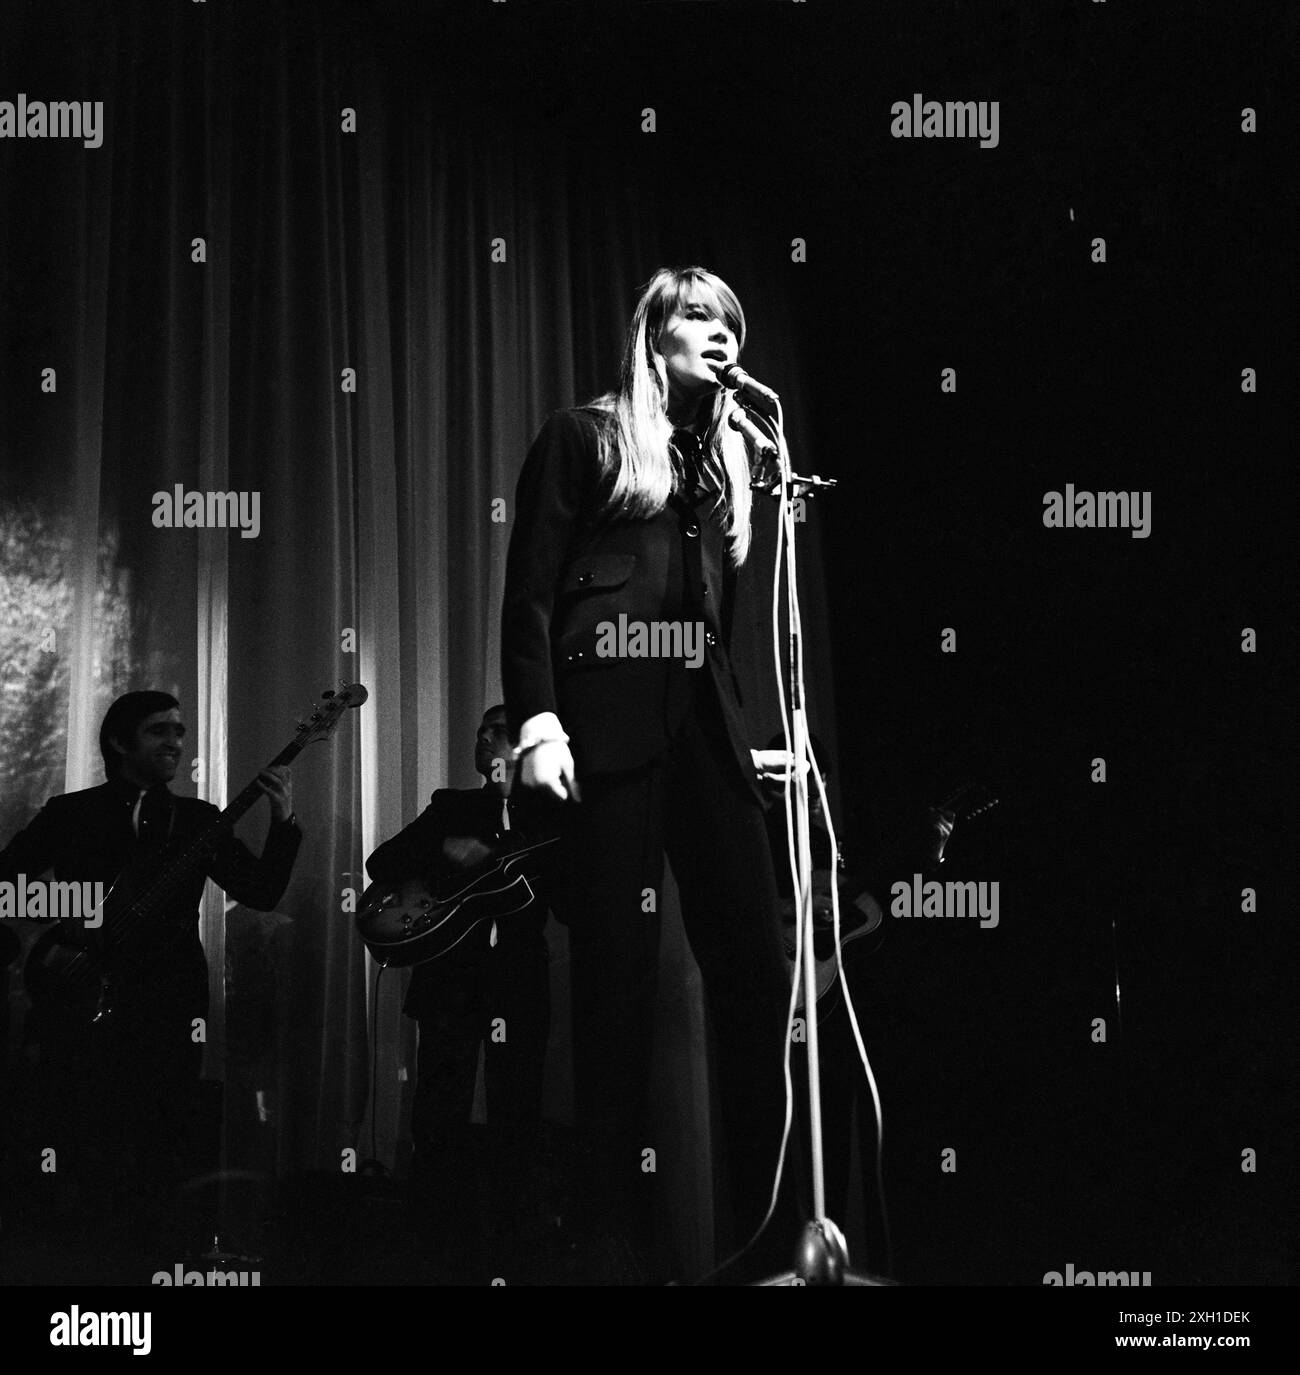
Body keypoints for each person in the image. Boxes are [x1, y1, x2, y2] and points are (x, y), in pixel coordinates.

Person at [501, 266, 803, 1279]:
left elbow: (715, 619)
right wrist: (539, 720)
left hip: (704, 729)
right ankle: (606, 1244)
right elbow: (531, 590)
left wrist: (736, 731)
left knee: (756, 970)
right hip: (603, 719)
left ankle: (769, 1234)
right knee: (614, 985)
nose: (717, 335)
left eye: (729, 321)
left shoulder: (726, 461)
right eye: (694, 317)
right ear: (652, 332)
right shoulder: (583, 436)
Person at [0, 690, 301, 1263]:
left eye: (180, 731)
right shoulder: (70, 812)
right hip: (82, 993)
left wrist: (283, 819)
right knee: (86, 1129)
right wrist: (71, 927)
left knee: (164, 1131)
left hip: (170, 1001)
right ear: (119, 742)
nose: (175, 742)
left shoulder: (197, 820)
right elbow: (8, 882)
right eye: (160, 731)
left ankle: (162, 1256)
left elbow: (261, 892)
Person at [364, 704, 551, 1266]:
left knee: (515, 1112)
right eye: (479, 731)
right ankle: (432, 1243)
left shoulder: (554, 817)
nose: (481, 738)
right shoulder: (453, 806)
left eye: (495, 731)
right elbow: (382, 861)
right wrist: (445, 848)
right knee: (438, 1113)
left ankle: (510, 1246)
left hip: (517, 983)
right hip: (450, 978)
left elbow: (576, 892)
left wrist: (494, 852)